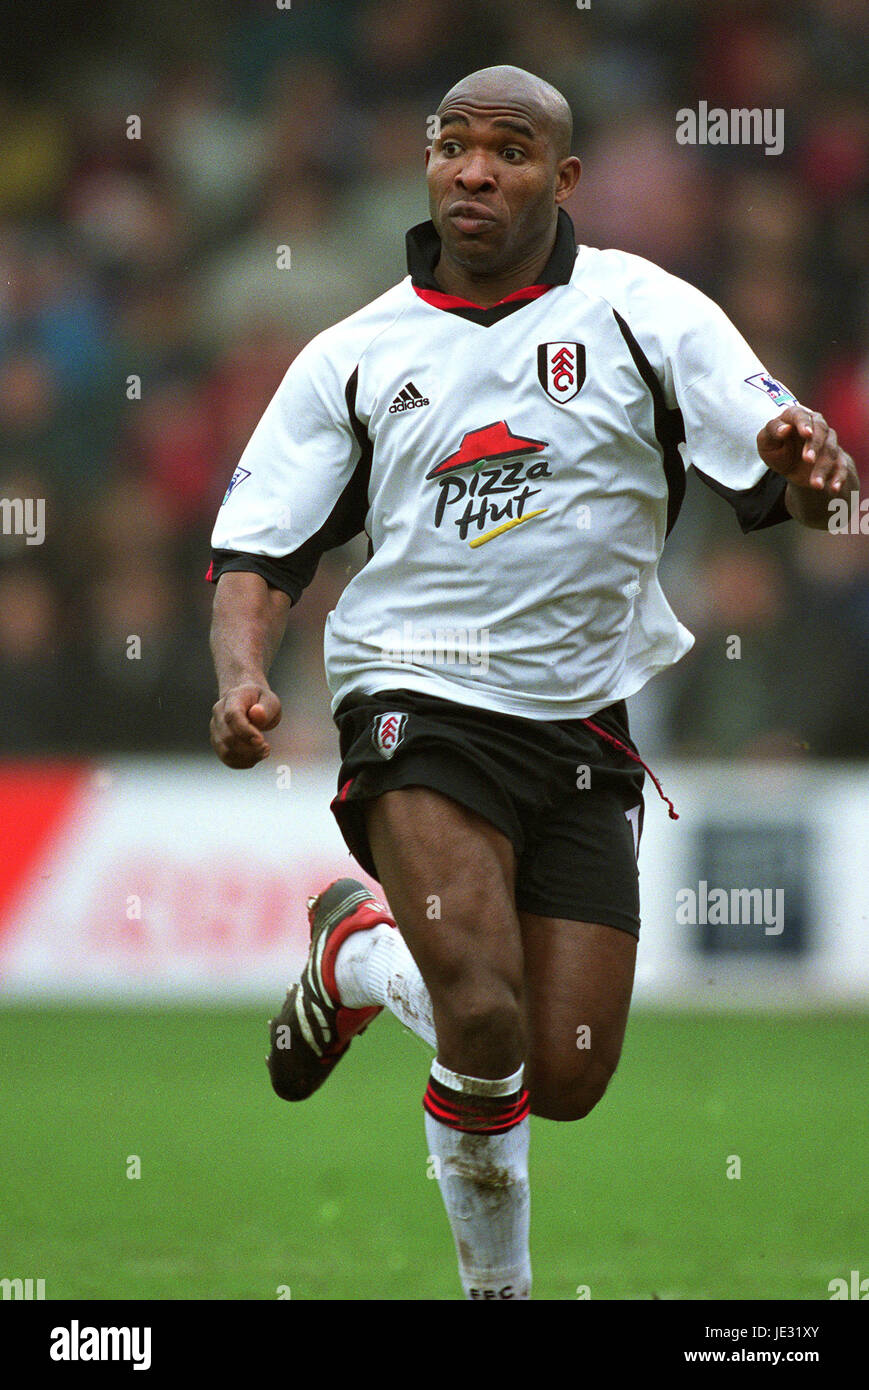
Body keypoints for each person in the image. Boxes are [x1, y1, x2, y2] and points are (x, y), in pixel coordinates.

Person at [206, 66, 858, 1301]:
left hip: (580, 723)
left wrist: (810, 465)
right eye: (453, 145)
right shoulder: (352, 354)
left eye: (507, 152)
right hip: (415, 701)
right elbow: (258, 549)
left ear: (560, 180)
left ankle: (354, 956)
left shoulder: (641, 311)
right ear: (426, 162)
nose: (473, 171)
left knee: (562, 1074)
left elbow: (775, 451)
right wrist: (241, 674)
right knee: (487, 1020)